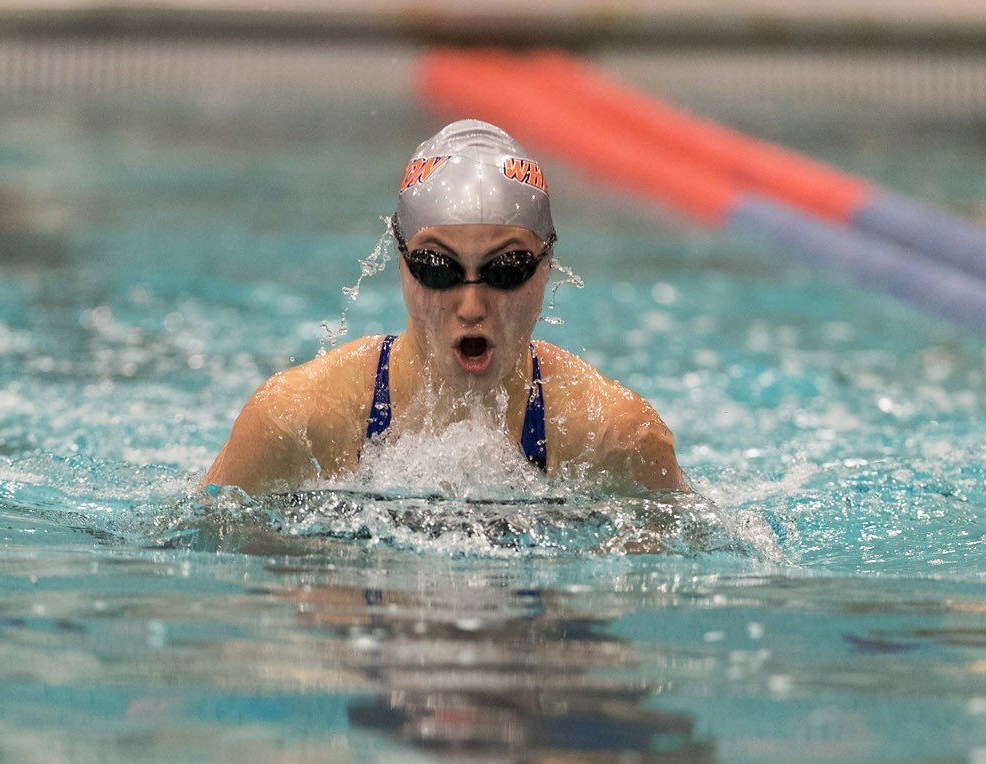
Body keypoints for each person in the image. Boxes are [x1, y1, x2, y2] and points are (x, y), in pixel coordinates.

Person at [200, 119, 687, 497]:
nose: (471, 305)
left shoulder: (614, 438)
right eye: (437, 268)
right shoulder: (297, 422)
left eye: (505, 269)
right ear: (401, 264)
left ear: (545, 268)